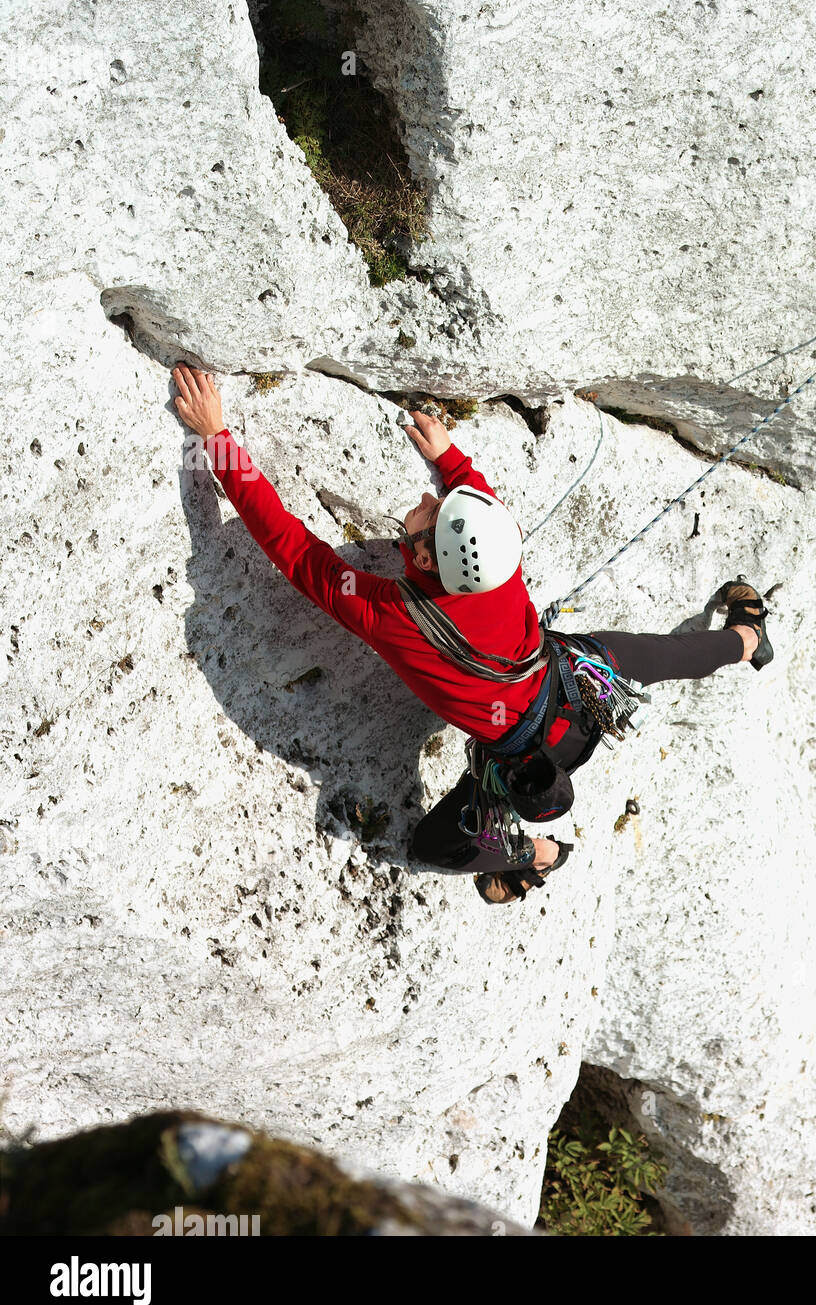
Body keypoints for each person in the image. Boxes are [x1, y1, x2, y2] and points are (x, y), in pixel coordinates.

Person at [171, 365, 774, 903]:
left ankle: (539, 855)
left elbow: (296, 551)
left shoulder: (391, 615)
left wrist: (217, 441)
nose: (436, 498)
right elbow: (479, 506)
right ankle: (748, 640)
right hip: (580, 680)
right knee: (666, 656)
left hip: (523, 755)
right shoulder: (492, 557)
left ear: (428, 560)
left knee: (432, 848)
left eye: (437, 508)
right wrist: (448, 456)